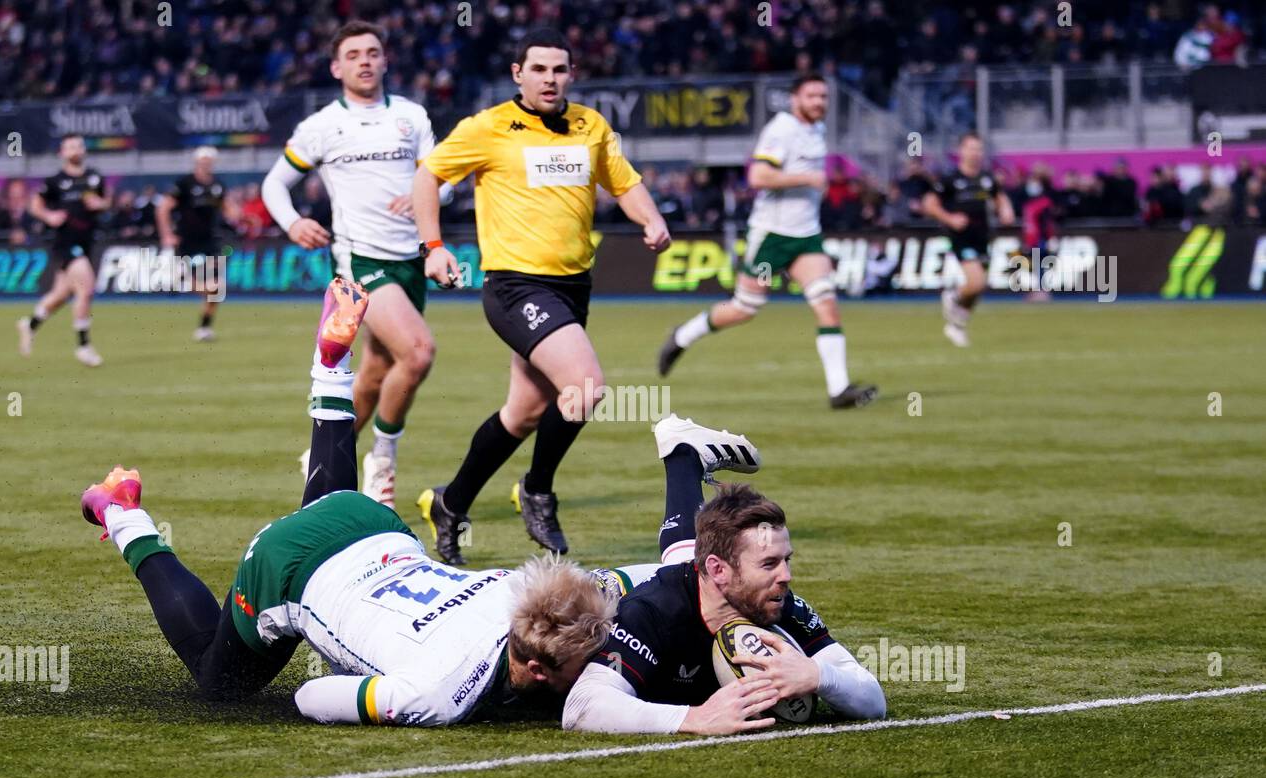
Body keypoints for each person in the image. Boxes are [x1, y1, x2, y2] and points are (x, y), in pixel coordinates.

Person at [80, 278, 765, 726]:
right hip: (290, 566)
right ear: (531, 668)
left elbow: (669, 573)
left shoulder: (547, 599)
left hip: (371, 527)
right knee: (219, 679)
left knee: (328, 504)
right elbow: (308, 696)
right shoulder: (439, 693)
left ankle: (329, 366)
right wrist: (380, 692)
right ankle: (124, 514)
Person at [411, 28, 671, 564]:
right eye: (539, 70)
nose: (550, 79)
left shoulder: (589, 125)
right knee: (585, 387)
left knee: (524, 412)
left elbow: (623, 183)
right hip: (514, 284)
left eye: (559, 70)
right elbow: (428, 175)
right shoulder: (488, 128)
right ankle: (537, 489)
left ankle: (449, 503)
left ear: (571, 74)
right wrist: (433, 247)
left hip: (573, 285)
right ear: (517, 74)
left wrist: (652, 219)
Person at [561, 425, 887, 734]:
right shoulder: (652, 612)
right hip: (604, 588)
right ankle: (682, 456)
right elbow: (580, 706)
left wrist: (819, 676)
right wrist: (693, 717)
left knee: (695, 554)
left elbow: (873, 701)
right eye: (769, 564)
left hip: (706, 577)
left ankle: (683, 455)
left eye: (786, 560)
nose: (786, 577)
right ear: (719, 570)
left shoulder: (777, 602)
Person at [263, 20, 452, 510]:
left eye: (372, 52)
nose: (364, 61)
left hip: (411, 260)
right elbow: (273, 184)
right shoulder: (323, 125)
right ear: (336, 67)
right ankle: (382, 464)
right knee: (418, 352)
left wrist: (424, 195)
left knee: (374, 372)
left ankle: (321, 457)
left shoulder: (411, 116)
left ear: (385, 60)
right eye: (353, 55)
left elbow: (444, 179)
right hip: (359, 260)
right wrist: (291, 223)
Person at [658, 75, 877, 410]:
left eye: (823, 96)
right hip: (772, 238)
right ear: (794, 99)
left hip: (806, 237)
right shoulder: (781, 130)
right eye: (812, 96)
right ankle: (682, 336)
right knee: (745, 308)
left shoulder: (815, 130)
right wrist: (806, 177)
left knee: (826, 303)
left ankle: (839, 390)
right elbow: (758, 177)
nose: (820, 102)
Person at [17, 134, 111, 366]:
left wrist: (100, 204)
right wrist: (48, 215)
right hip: (67, 242)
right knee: (86, 289)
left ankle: (29, 325)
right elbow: (35, 204)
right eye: (70, 147)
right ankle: (83, 346)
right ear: (62, 153)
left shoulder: (94, 177)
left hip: (87, 240)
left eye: (79, 145)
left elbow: (106, 201)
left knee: (61, 295)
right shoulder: (54, 181)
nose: (75, 150)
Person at [920, 132, 1015, 348]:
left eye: (979, 149)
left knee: (977, 289)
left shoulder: (987, 179)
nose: (975, 153)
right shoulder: (950, 179)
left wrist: (1006, 211)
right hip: (961, 237)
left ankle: (957, 325)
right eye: (971, 148)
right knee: (976, 281)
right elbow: (929, 203)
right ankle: (953, 296)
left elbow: (1000, 198)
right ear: (961, 151)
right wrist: (949, 218)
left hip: (983, 237)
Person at [156, 146, 228, 341]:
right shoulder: (184, 183)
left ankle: (204, 326)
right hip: (186, 241)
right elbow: (163, 209)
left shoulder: (218, 186)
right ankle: (182, 282)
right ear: (197, 162)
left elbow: (227, 209)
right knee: (199, 282)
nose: (206, 163)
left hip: (209, 241)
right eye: (202, 159)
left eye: (209, 159)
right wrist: (167, 235)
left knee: (216, 287)